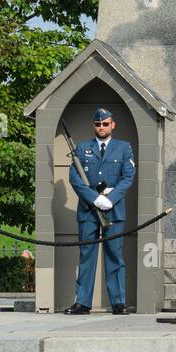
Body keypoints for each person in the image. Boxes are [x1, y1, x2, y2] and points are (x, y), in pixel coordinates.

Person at [65, 108, 136, 315]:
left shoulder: (124, 148)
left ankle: (118, 302)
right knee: (87, 255)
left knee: (114, 255)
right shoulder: (82, 148)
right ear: (93, 126)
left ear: (112, 125)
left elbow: (128, 176)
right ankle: (83, 303)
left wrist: (110, 199)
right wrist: (94, 198)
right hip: (88, 211)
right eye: (98, 124)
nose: (101, 127)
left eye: (105, 124)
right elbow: (75, 178)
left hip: (113, 211)